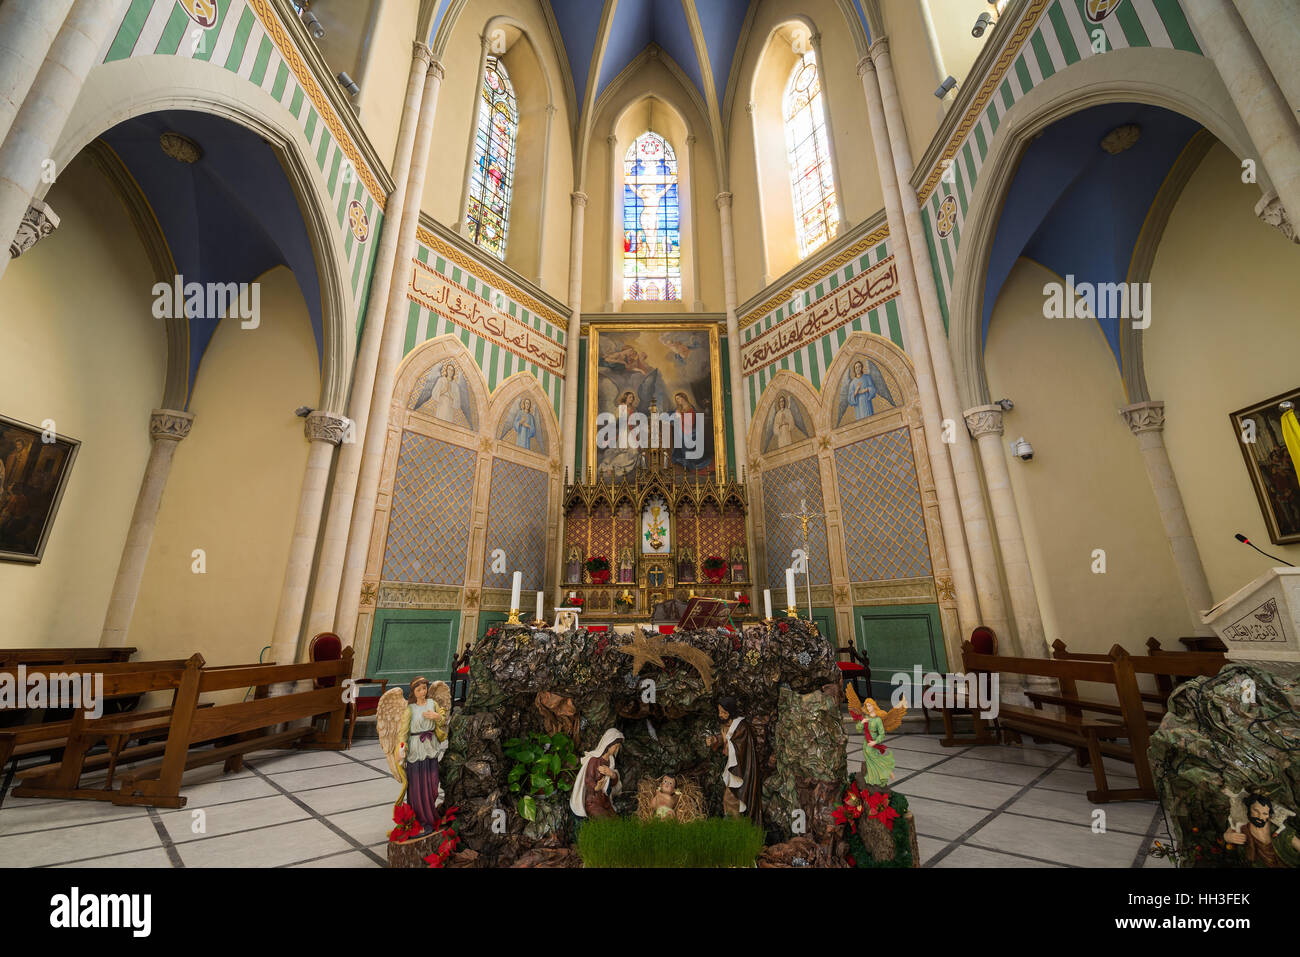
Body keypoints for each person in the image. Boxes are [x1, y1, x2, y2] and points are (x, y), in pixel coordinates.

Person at [400, 677, 449, 835]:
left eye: (424, 688)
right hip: (415, 748)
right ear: (413, 692)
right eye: (419, 689)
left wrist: (437, 717)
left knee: (432, 784)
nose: (423, 692)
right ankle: (421, 820)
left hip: (431, 746)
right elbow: (403, 733)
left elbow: (443, 720)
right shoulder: (410, 709)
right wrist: (402, 748)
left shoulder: (432, 704)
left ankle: (431, 816)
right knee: (417, 787)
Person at [708, 697, 760, 824]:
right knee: (728, 799)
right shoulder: (729, 725)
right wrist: (715, 739)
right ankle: (731, 825)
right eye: (719, 711)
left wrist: (725, 740)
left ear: (731, 712)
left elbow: (739, 746)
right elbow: (728, 736)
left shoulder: (742, 727)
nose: (721, 715)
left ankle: (736, 826)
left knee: (732, 798)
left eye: (724, 712)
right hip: (735, 770)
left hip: (742, 770)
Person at [570, 729, 624, 820]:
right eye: (616, 746)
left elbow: (613, 784)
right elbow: (588, 780)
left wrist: (612, 774)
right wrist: (596, 787)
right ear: (608, 745)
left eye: (618, 747)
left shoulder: (611, 761)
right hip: (593, 801)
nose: (617, 750)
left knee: (616, 821)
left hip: (605, 800)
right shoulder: (594, 761)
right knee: (605, 822)